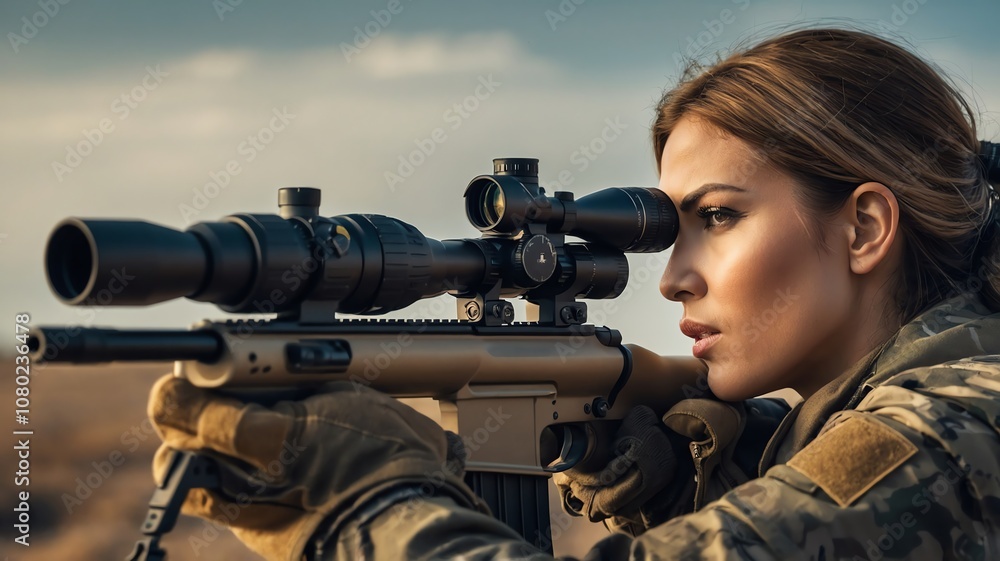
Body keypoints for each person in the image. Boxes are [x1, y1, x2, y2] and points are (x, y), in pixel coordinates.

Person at [148, 27, 1000, 560]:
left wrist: (367, 503)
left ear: (863, 229)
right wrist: (678, 472)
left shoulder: (950, 431)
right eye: (674, 229)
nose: (672, 275)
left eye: (720, 217)